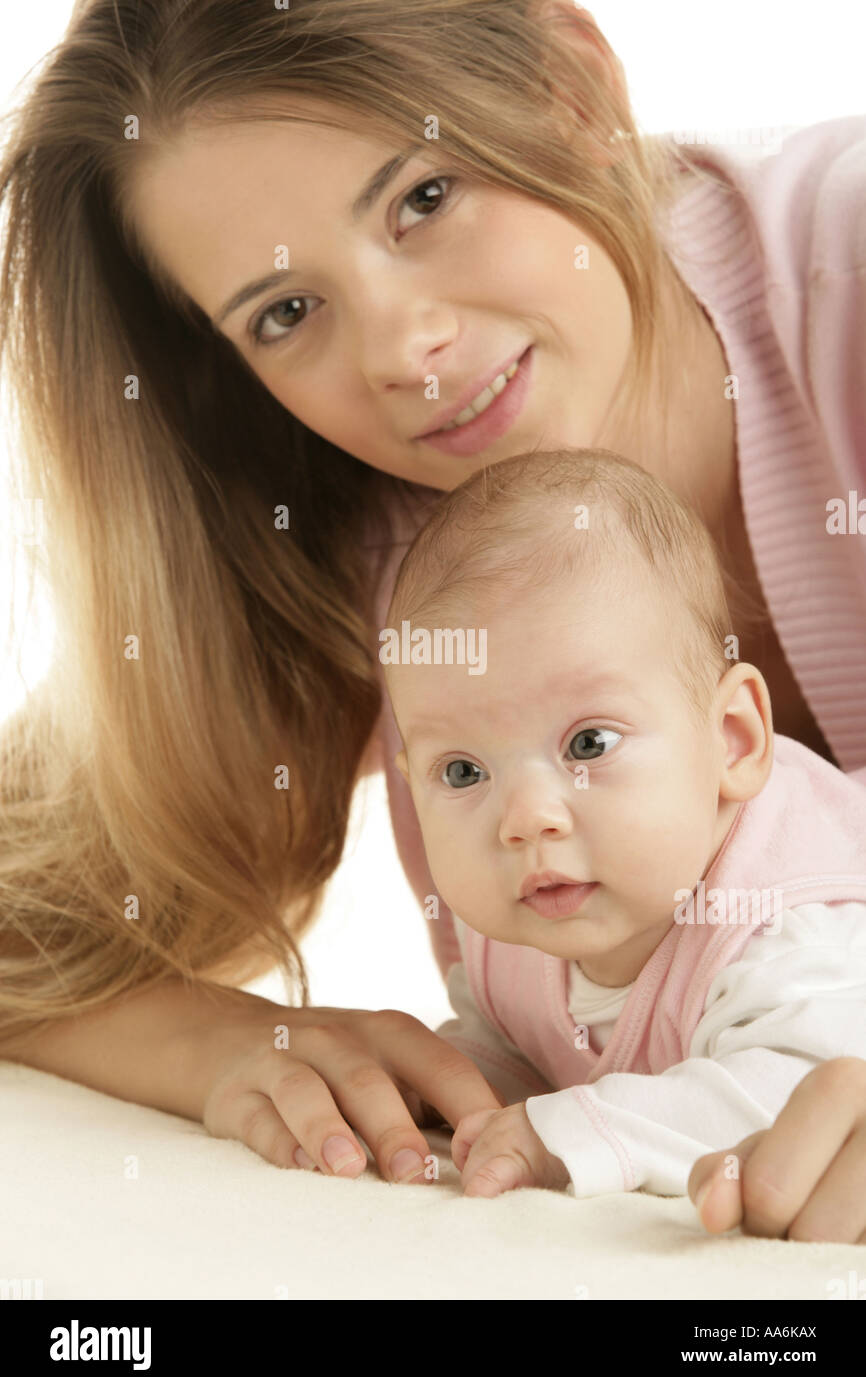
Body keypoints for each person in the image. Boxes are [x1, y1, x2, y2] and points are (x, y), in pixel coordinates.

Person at [0, 0, 864, 1240]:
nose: (408, 351)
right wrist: (228, 1043)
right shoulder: (361, 545)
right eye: (284, 314)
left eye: (420, 197)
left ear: (571, 87)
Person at [379, 445, 866, 1201]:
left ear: (732, 740)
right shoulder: (522, 913)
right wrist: (446, 1091)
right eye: (464, 773)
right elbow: (522, 1045)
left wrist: (578, 1129)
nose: (526, 819)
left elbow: (805, 1092)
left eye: (589, 744)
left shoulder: (782, 924)